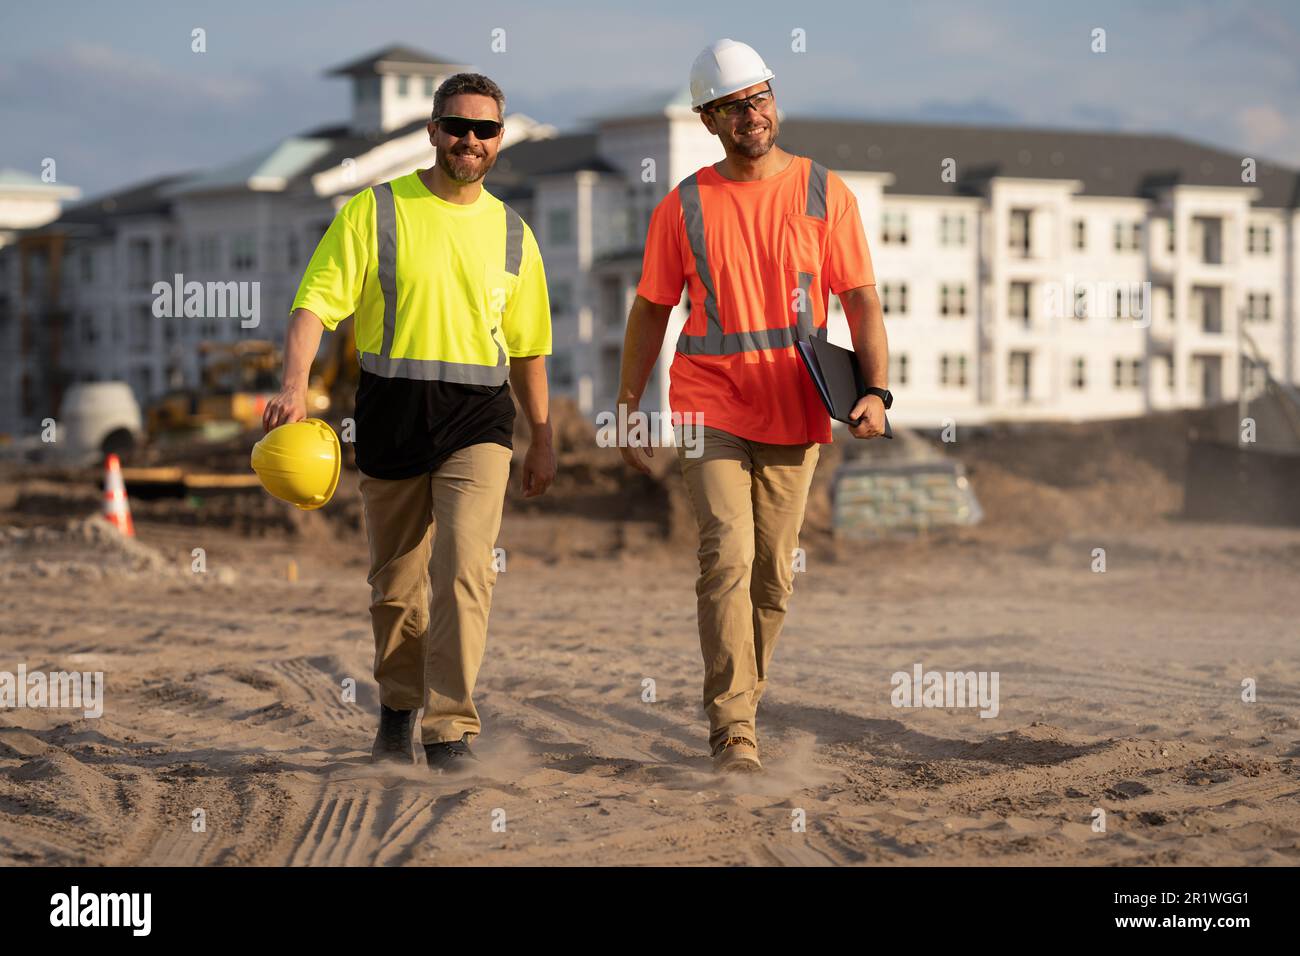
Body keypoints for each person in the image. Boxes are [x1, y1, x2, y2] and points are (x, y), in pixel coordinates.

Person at [264, 72, 555, 773]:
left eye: (485, 129)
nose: (470, 140)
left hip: (478, 422)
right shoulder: (376, 211)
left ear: (500, 140)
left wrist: (543, 437)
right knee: (395, 588)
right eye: (457, 126)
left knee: (465, 570)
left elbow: (529, 347)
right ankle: (398, 707)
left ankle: (450, 727)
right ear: (431, 131)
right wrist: (293, 383)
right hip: (391, 416)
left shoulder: (515, 235)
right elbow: (315, 304)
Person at [617, 40, 890, 772]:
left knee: (773, 574)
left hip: (796, 408)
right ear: (709, 120)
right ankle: (733, 727)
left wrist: (875, 390)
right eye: (733, 107)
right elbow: (650, 311)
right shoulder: (686, 205)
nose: (752, 115)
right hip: (708, 405)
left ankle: (745, 698)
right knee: (726, 557)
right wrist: (626, 403)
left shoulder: (823, 193)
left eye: (760, 97)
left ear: (774, 97)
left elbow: (861, 300)